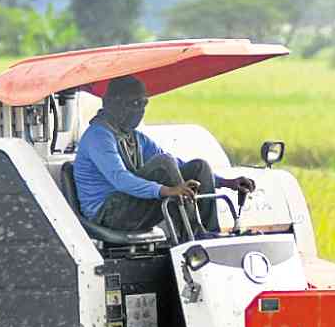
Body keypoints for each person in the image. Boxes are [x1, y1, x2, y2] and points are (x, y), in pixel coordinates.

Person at [73, 75, 255, 232]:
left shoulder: (134, 137)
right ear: (114, 104)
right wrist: (168, 190)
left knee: (199, 167)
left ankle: (209, 233)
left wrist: (225, 182)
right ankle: (192, 233)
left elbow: (177, 165)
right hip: (107, 214)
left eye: (144, 103)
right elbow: (120, 179)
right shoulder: (99, 136)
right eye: (135, 103)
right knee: (164, 162)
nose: (141, 110)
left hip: (127, 204)